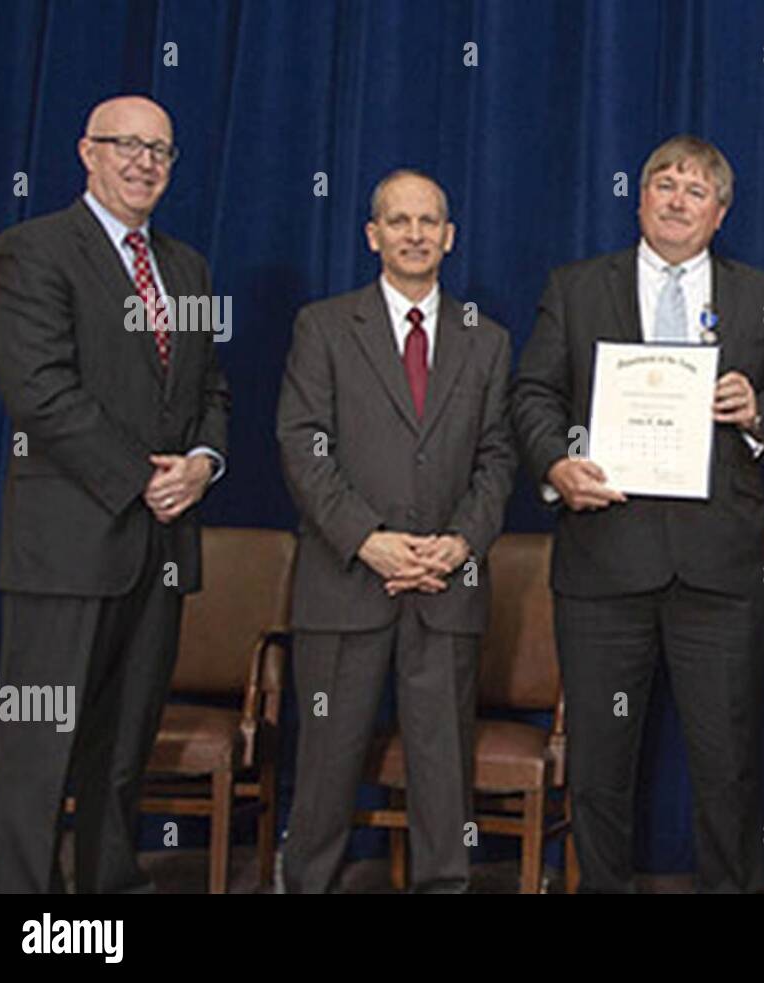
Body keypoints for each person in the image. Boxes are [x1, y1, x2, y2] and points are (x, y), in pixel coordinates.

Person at [512, 135, 764, 893]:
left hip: (722, 570)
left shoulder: (763, 293)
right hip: (604, 561)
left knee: (728, 764)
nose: (678, 200)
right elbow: (532, 395)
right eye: (664, 185)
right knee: (601, 766)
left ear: (720, 211)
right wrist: (555, 462)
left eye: (695, 190)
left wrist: (757, 414)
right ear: (639, 198)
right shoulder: (578, 286)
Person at [0, 95, 230, 892]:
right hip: (68, 546)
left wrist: (201, 460)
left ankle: (105, 905)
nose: (143, 161)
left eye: (160, 149)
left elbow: (211, 390)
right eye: (125, 145)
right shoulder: (34, 250)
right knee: (38, 751)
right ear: (86, 153)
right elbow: (40, 391)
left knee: (122, 752)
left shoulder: (188, 269)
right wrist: (143, 479)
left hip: (159, 551)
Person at [276, 169, 516, 893]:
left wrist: (461, 542)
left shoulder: (489, 339)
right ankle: (306, 882)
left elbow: (499, 457)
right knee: (325, 763)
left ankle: (444, 884)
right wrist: (367, 538)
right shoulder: (323, 326)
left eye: (428, 221)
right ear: (372, 234)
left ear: (449, 237)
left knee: (442, 771)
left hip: (445, 583)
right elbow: (301, 442)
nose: (414, 234)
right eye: (398, 220)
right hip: (347, 579)